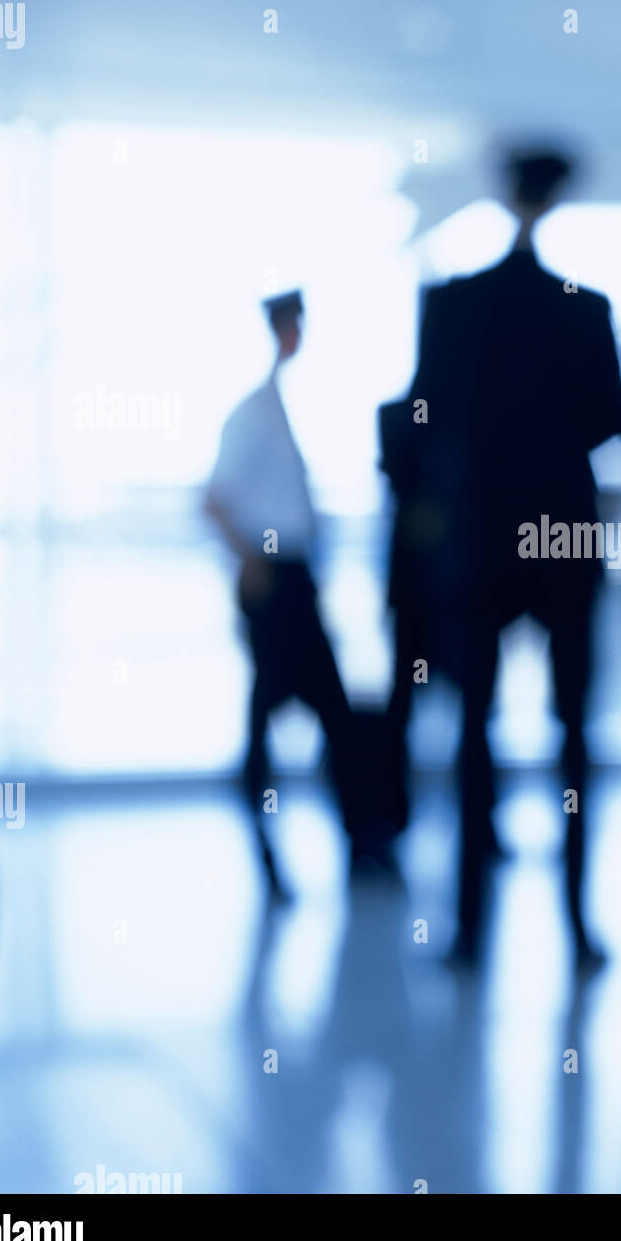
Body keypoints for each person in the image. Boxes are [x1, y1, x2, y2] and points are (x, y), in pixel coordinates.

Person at [407, 145, 621, 967]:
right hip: (563, 541)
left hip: (478, 541)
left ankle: (469, 927)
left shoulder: (454, 303)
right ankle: (576, 926)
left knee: (474, 731)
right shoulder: (587, 308)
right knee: (574, 731)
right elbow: (612, 419)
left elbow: (425, 416)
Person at [204, 290, 369, 900]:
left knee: (328, 712)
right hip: (275, 583)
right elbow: (214, 500)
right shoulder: (252, 414)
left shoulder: (275, 408)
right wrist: (254, 562)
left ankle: (354, 844)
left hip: (294, 579)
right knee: (278, 718)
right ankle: (270, 853)